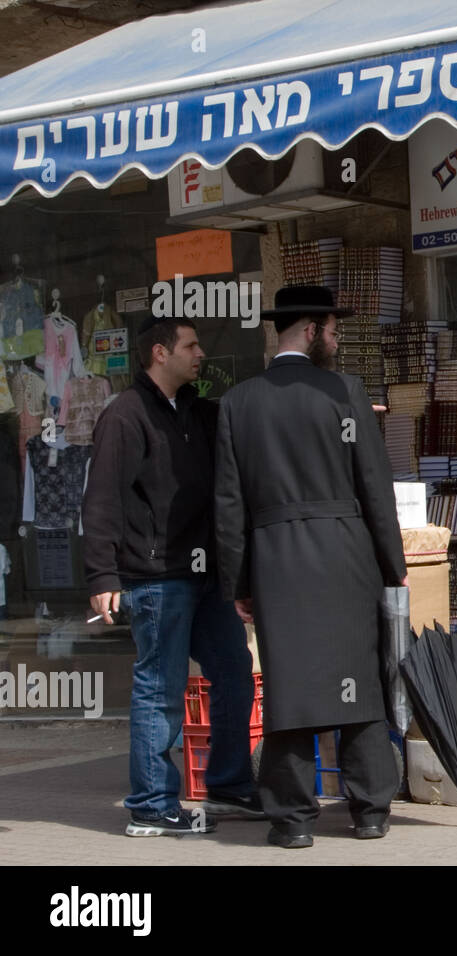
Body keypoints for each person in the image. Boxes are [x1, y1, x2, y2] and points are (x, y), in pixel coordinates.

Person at [213, 285, 407, 850]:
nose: (338, 339)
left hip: (276, 563)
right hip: (346, 556)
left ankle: (293, 821)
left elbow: (229, 505)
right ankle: (370, 811)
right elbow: (376, 488)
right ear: (313, 329)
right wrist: (393, 565)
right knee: (360, 687)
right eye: (335, 330)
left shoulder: (238, 402)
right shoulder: (345, 392)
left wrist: (238, 583)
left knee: (290, 692)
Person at [83, 315, 261, 837]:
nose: (199, 352)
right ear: (160, 353)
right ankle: (151, 805)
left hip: (206, 576)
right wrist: (101, 576)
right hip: (156, 577)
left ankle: (228, 785)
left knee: (234, 670)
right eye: (190, 345)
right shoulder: (124, 416)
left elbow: (253, 423)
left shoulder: (201, 412)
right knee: (159, 689)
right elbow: (102, 501)